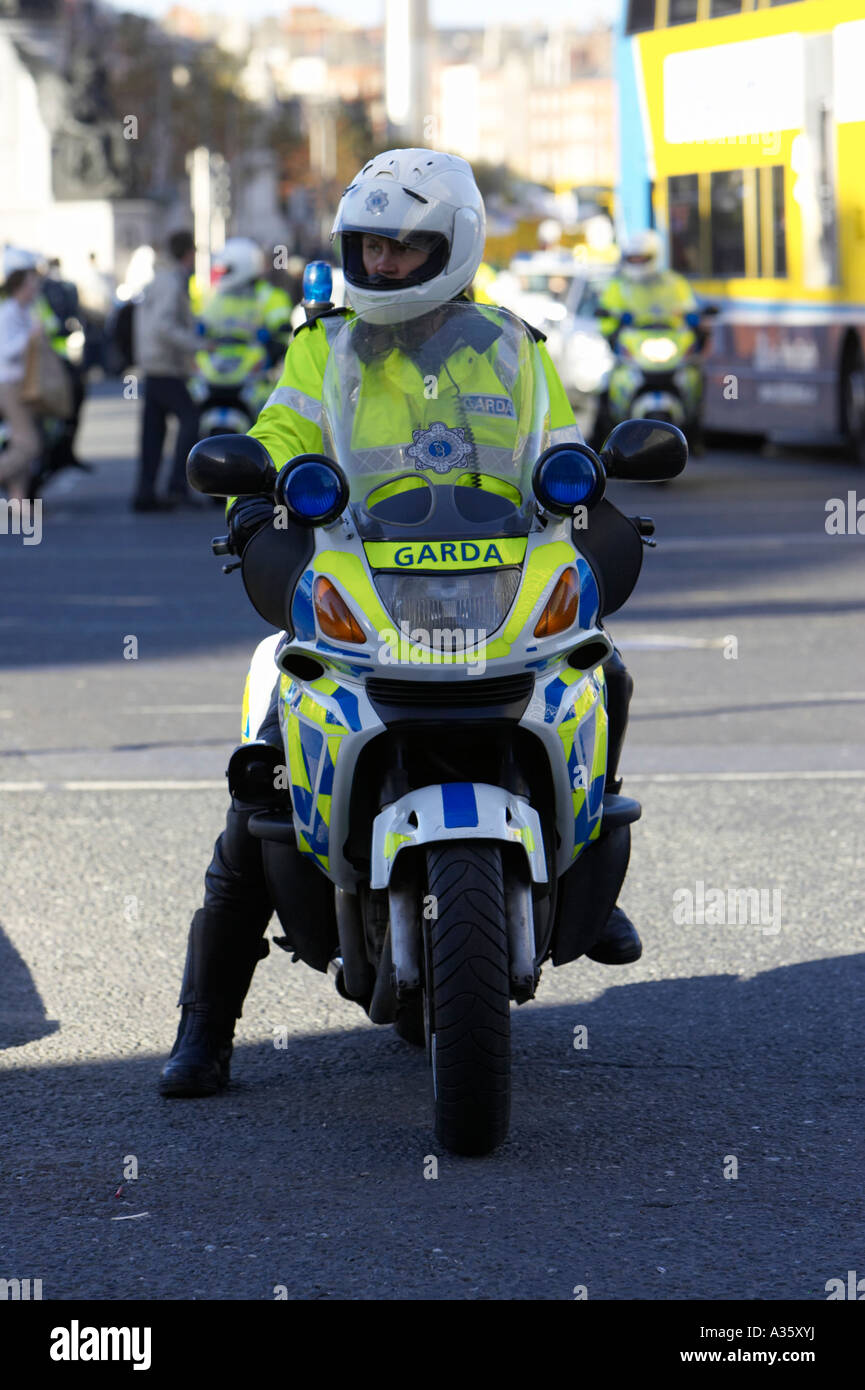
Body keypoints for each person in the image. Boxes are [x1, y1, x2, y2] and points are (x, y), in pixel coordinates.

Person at [159, 148, 641, 1099]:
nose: (379, 265)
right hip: (362, 569)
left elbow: (555, 454)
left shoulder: (514, 344)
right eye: (367, 247)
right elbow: (280, 437)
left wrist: (588, 498)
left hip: (488, 566)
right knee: (261, 777)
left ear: (452, 247)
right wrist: (252, 503)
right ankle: (204, 1029)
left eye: (401, 248)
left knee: (603, 668)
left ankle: (582, 853)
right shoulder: (321, 345)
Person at [132, 229, 202, 512]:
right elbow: (164, 326)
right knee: (190, 419)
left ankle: (144, 493)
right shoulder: (172, 283)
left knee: (153, 431)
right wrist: (197, 344)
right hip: (165, 364)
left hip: (152, 362)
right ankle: (178, 485)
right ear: (188, 253)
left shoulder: (158, 278)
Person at [203, 238, 294, 367]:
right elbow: (207, 323)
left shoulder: (272, 296)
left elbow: (282, 336)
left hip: (256, 368)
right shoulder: (221, 295)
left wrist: (271, 339)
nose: (222, 275)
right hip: (219, 364)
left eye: (226, 270)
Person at [596, 229, 698, 337]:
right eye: (633, 259)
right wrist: (617, 317)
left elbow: (688, 307)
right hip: (632, 338)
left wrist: (690, 316)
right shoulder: (619, 284)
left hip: (670, 336)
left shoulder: (674, 282)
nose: (637, 262)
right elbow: (607, 318)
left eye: (642, 258)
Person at [0, 253, 43, 502]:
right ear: (19, 285)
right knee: (29, 445)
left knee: (19, 441)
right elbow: (6, 351)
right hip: (11, 383)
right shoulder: (9, 313)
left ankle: (18, 500)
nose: (34, 288)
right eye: (30, 284)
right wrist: (30, 337)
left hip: (20, 384)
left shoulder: (23, 311)